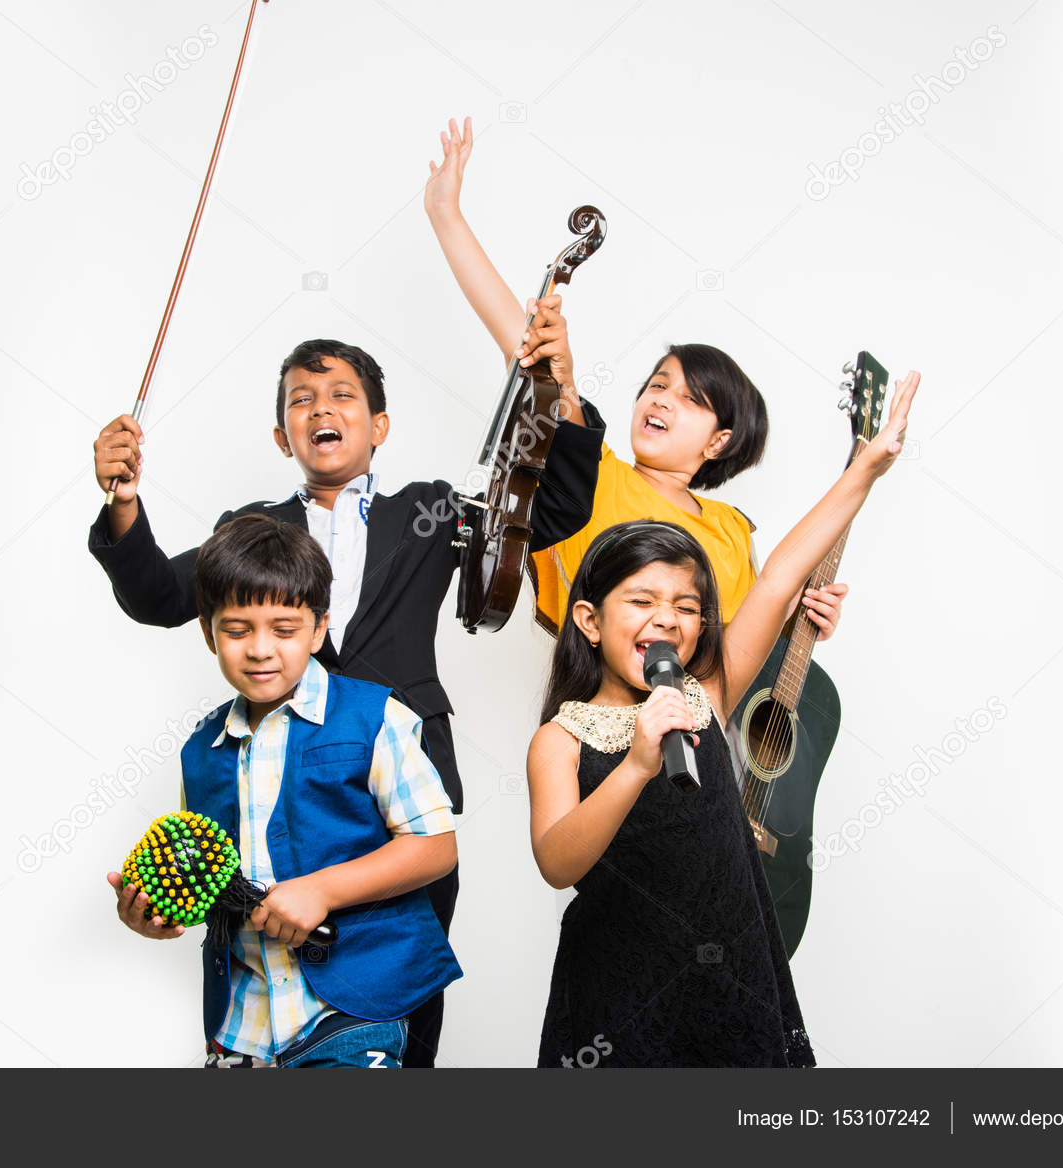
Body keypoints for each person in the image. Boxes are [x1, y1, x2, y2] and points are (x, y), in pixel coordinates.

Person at [89, 337, 604, 1065]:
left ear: (379, 425)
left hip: (402, 775)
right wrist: (124, 503)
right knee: (269, 950)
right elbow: (159, 597)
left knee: (405, 987)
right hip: (285, 776)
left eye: (341, 398)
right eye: (301, 400)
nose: (320, 409)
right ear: (282, 435)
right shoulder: (251, 532)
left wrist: (566, 392)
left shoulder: (432, 510)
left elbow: (549, 511)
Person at [525, 370, 919, 1066]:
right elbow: (558, 863)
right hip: (618, 989)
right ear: (588, 620)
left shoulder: (708, 694)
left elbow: (778, 578)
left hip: (732, 971)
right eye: (642, 601)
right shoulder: (561, 739)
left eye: (685, 606)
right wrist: (639, 764)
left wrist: (867, 470)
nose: (666, 620)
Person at [422, 116, 849, 640]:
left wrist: (801, 624)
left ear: (721, 440)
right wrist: (446, 215)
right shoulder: (596, 476)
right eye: (658, 384)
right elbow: (522, 341)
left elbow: (740, 646)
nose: (663, 400)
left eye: (692, 399)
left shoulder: (731, 530)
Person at [106, 514, 460, 1068]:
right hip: (239, 1025)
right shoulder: (201, 750)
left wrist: (320, 890)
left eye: (284, 629)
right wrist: (160, 908)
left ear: (319, 629)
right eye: (237, 629)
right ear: (208, 632)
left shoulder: (375, 717)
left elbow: (435, 846)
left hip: (351, 1011)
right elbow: (216, 880)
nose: (260, 649)